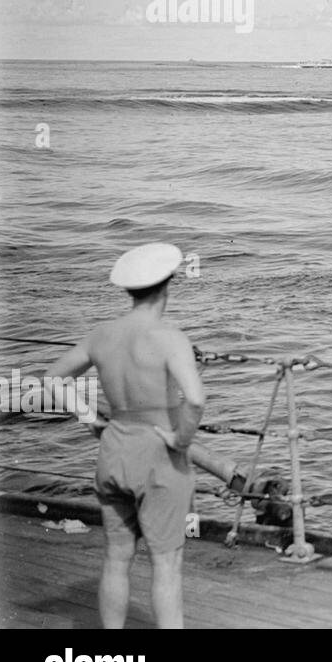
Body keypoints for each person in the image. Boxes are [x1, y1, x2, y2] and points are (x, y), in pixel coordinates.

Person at [47, 243, 205, 629]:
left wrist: (88, 417)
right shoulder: (170, 337)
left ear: (129, 290)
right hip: (157, 454)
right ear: (167, 286)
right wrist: (180, 441)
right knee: (166, 564)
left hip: (114, 448)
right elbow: (196, 400)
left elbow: (53, 377)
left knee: (116, 557)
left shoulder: (103, 334)